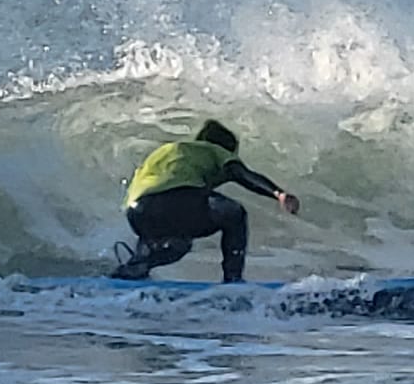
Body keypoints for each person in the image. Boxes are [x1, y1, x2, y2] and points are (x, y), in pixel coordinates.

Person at [112, 120, 300, 282]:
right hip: (175, 200)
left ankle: (138, 265)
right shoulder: (214, 150)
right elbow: (241, 173)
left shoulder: (165, 152)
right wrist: (278, 193)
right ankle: (233, 280)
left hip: (137, 211)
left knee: (179, 245)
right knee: (234, 213)